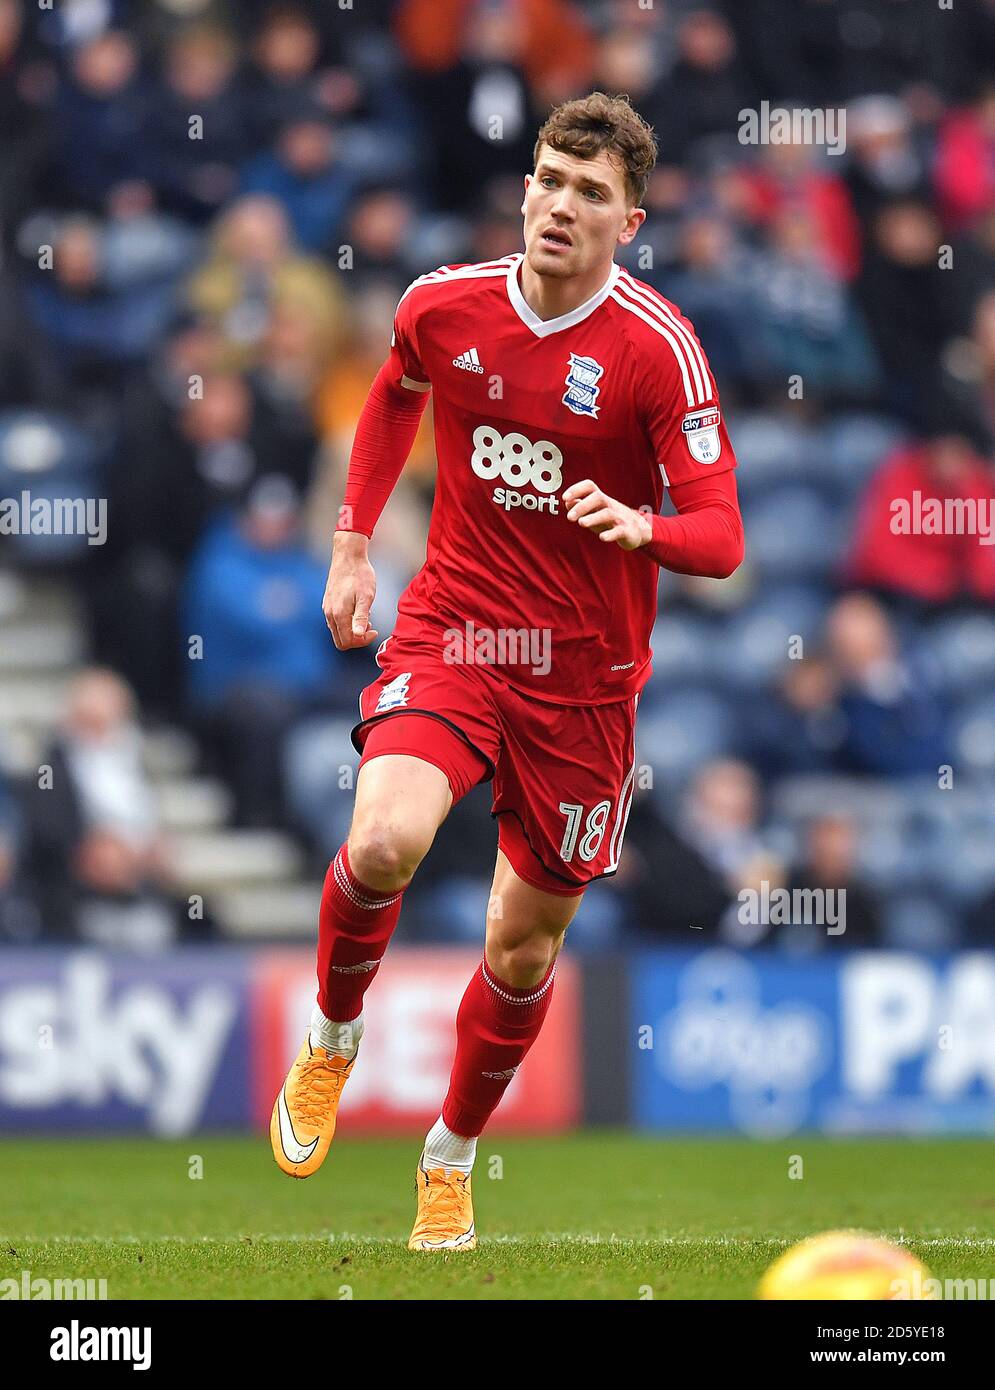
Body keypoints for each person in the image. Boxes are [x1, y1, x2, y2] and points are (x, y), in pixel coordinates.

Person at [270, 92, 745, 1250]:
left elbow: (723, 536)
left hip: (583, 683)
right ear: (523, 187)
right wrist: (348, 541)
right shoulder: (443, 303)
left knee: (519, 946)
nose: (559, 205)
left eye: (590, 192)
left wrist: (644, 525)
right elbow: (393, 395)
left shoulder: (655, 349)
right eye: (548, 179)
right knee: (382, 839)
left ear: (628, 220)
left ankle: (450, 1155)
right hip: (458, 630)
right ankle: (333, 1037)